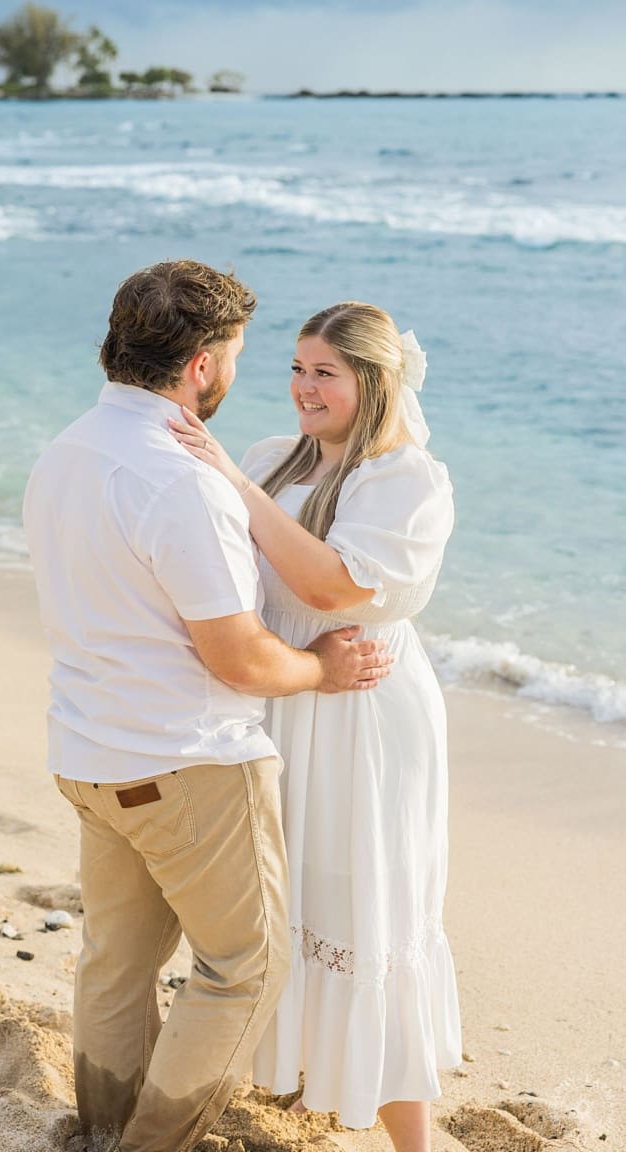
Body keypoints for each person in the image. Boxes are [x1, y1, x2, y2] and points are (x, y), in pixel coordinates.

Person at [22, 262, 393, 1152]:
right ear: (200, 365)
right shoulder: (179, 479)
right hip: (186, 763)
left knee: (117, 964)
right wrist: (320, 669)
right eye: (234, 355)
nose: (237, 373)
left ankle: (103, 1131)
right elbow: (235, 656)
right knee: (245, 969)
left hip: (87, 753)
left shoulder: (66, 449)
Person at [168, 301, 462, 1152]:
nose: (303, 388)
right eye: (297, 368)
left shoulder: (406, 481)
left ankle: (412, 1136)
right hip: (282, 696)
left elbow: (334, 588)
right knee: (283, 896)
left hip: (364, 715)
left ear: (373, 381)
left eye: (324, 372)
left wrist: (231, 482)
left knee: (366, 900)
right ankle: (295, 1082)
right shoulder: (271, 458)